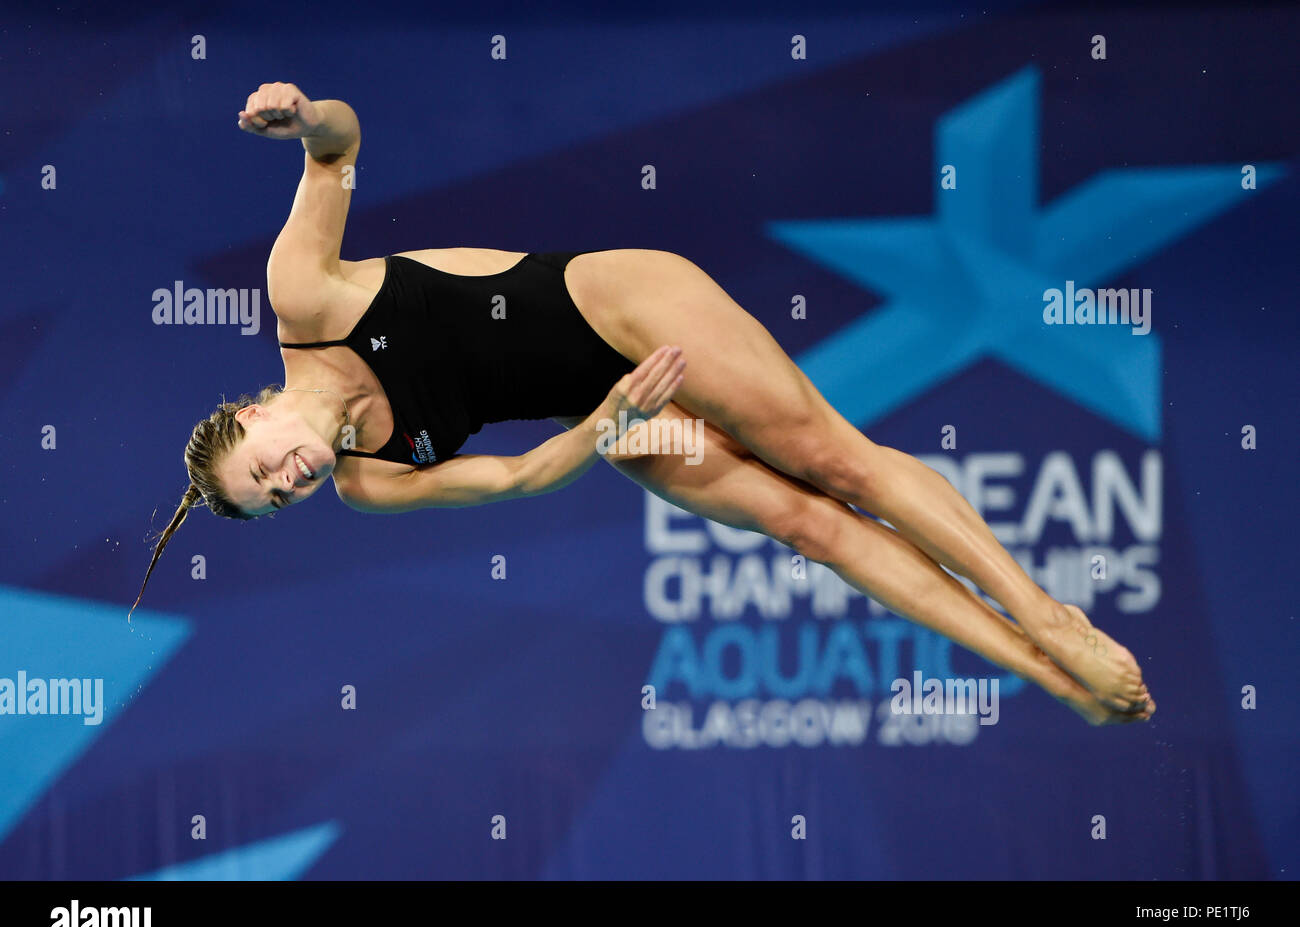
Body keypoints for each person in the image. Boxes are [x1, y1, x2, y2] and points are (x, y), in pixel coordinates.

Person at [133, 83, 1154, 726]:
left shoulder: (303, 299)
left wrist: (306, 118)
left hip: (623, 305)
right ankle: (1055, 680)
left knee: (834, 463)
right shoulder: (369, 481)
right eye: (279, 499)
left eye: (265, 466)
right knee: (806, 526)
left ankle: (1045, 616)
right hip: (609, 413)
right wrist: (610, 419)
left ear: (253, 413)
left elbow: (339, 146)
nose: (292, 479)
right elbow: (520, 475)